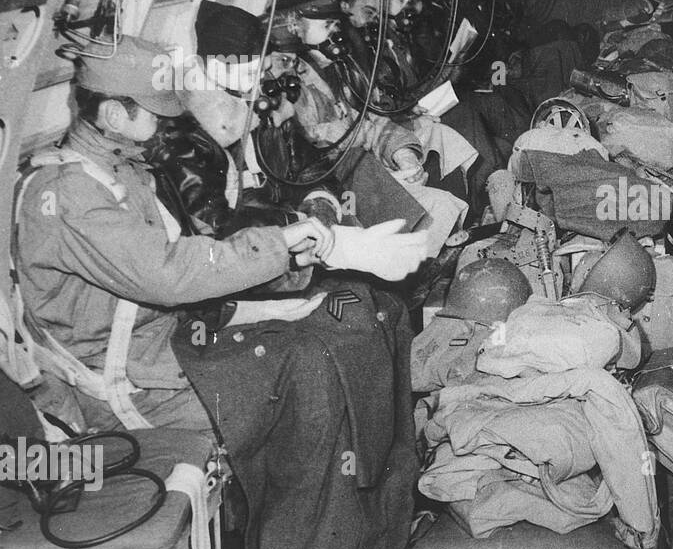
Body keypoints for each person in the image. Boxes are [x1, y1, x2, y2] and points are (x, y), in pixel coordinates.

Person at [12, 39, 395, 434]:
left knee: (325, 345)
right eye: (154, 110)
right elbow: (169, 273)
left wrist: (276, 278)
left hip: (166, 341)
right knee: (308, 384)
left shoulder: (119, 168)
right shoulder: (71, 193)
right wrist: (280, 242)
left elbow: (179, 263)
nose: (164, 120)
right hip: (134, 381)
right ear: (113, 114)